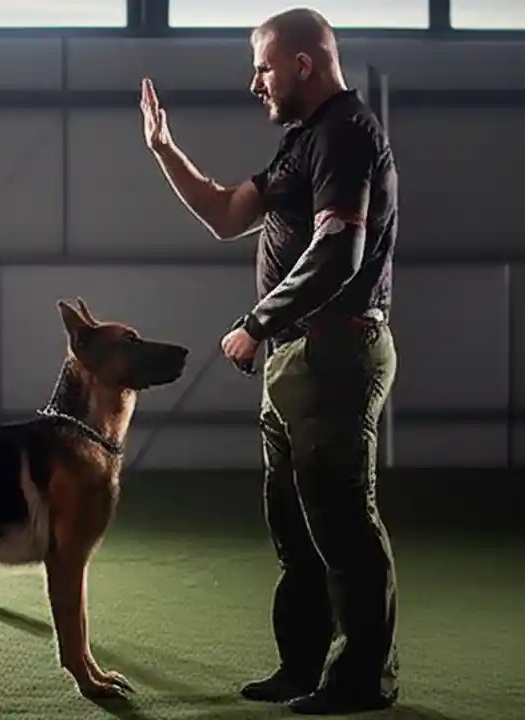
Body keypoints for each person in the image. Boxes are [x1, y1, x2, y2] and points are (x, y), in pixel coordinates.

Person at [138, 6, 400, 715]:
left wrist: (258, 322)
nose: (255, 82)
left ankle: (362, 680)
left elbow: (338, 253)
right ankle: (305, 669)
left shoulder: (346, 135)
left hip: (331, 351)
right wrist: (166, 149)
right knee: (295, 524)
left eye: (262, 66)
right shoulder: (302, 143)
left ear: (302, 64)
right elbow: (226, 213)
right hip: (296, 358)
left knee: (341, 520)